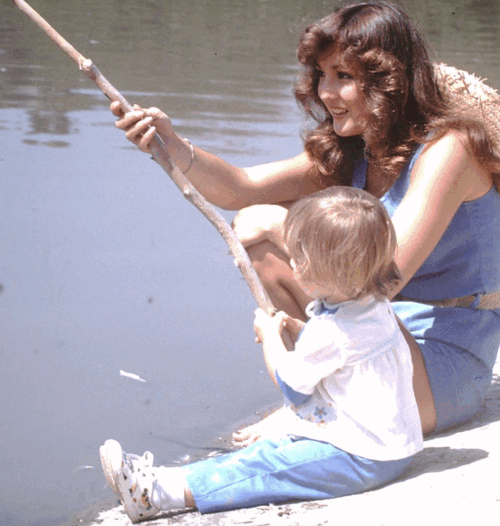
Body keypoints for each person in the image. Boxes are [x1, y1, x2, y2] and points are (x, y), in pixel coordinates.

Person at [111, 0, 500, 438]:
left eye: (344, 76)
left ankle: (314, 404)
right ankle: (311, 396)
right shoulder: (354, 152)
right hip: (380, 341)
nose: (326, 93)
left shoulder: (450, 150)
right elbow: (240, 188)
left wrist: (279, 225)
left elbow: (381, 278)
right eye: (322, 75)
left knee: (263, 227)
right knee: (257, 240)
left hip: (440, 367)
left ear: (388, 80)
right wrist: (171, 146)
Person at [100, 186, 423, 521]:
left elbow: (290, 385)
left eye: (298, 257)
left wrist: (270, 337)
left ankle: (153, 495)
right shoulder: (374, 307)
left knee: (267, 468)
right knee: (272, 448)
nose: (293, 263)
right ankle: (166, 478)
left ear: (325, 270)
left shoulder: (332, 332)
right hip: (389, 444)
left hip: (361, 456)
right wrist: (302, 331)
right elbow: (348, 355)